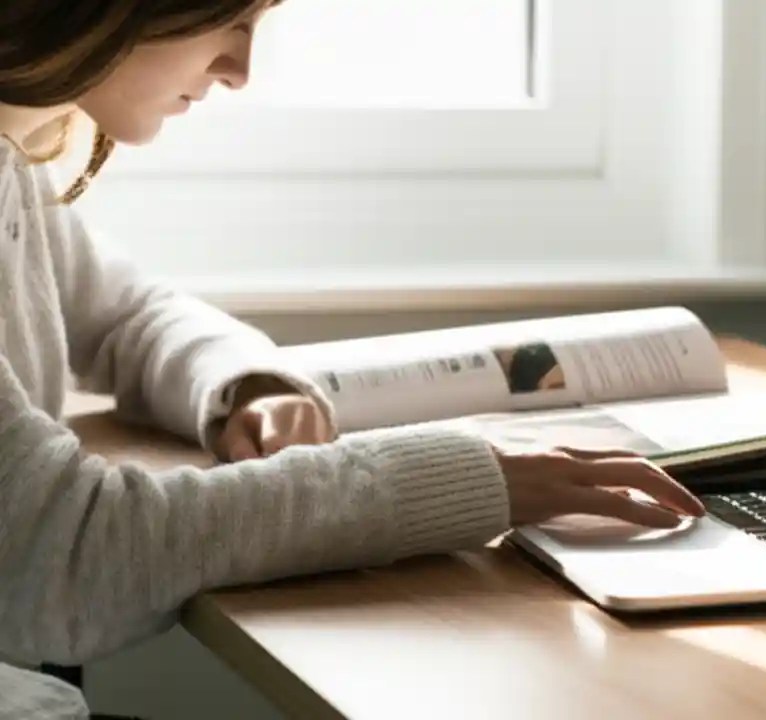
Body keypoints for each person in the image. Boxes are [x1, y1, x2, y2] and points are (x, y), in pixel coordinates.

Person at [0, 2, 706, 717]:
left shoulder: (15, 160)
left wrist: (244, 385)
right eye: (230, 20)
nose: (241, 71)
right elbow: (67, 557)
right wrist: (456, 479)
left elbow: (126, 315)